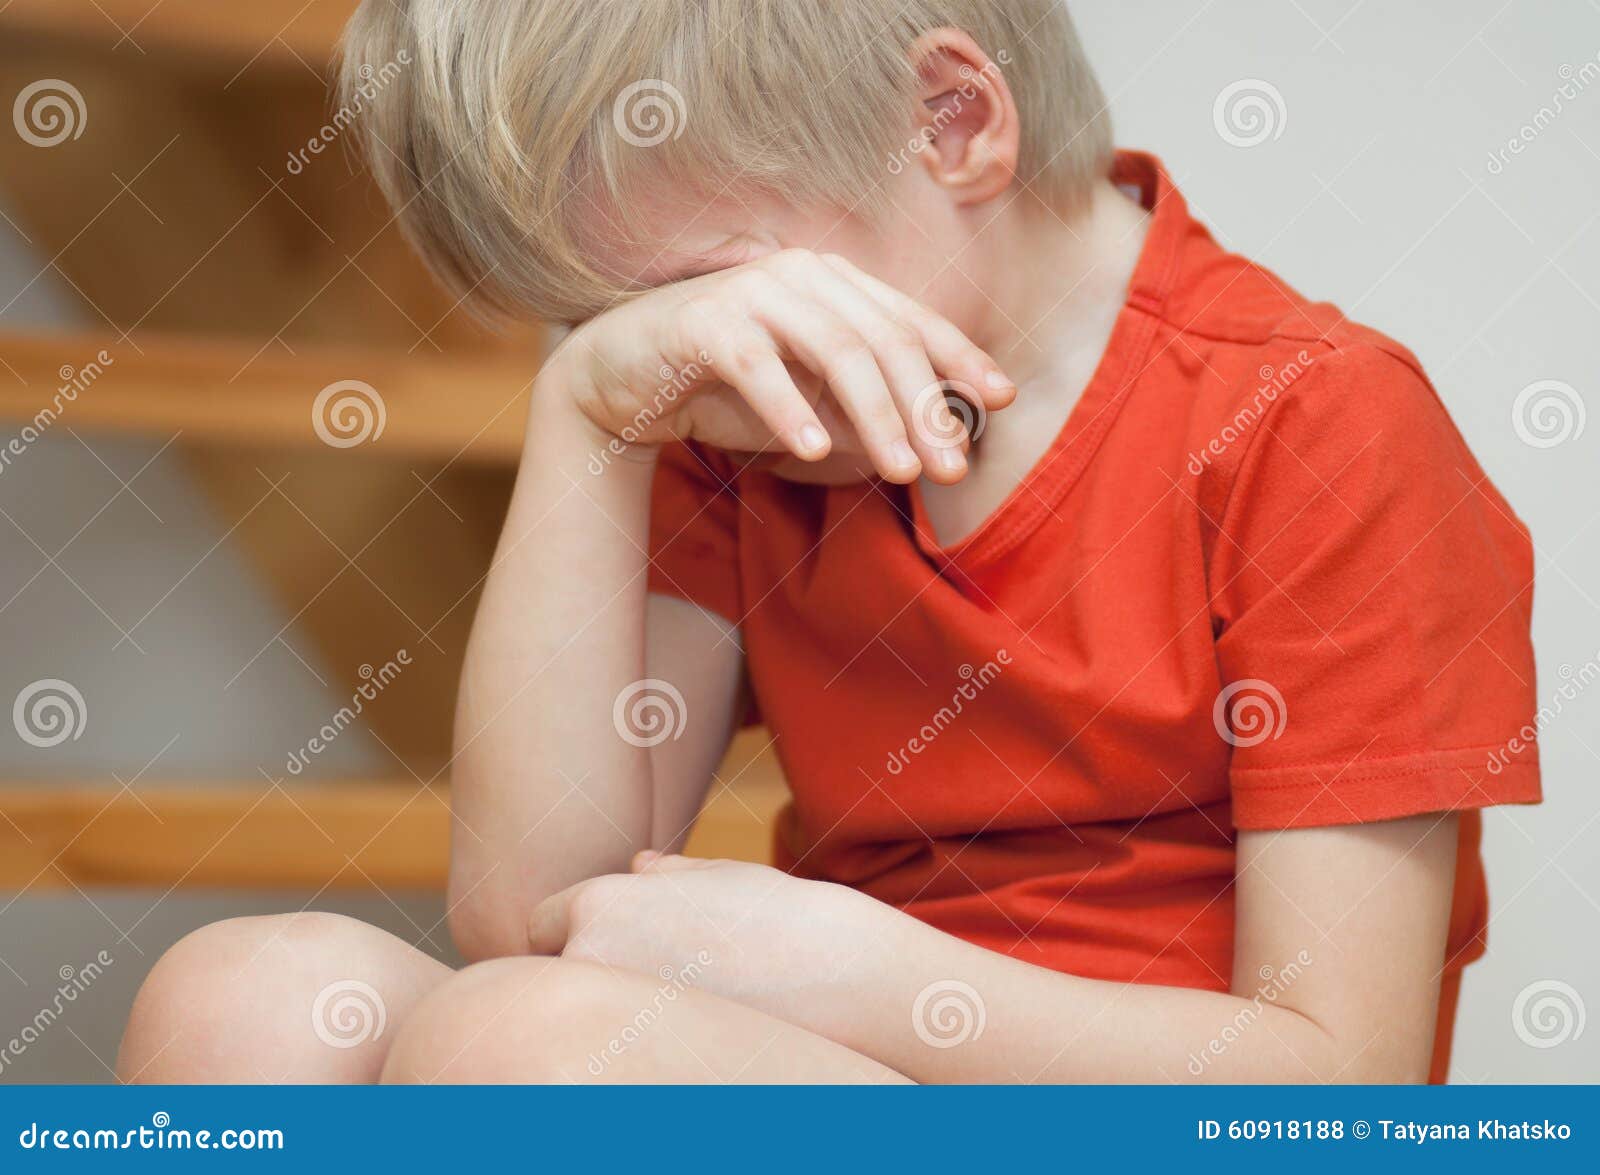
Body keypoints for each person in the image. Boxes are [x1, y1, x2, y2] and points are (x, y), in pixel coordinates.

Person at [118, 0, 1540, 1084]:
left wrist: (864, 976)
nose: (683, 360)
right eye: (615, 330)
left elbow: (1341, 1084)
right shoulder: (733, 417)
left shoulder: (1316, 421)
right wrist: (589, 413)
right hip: (841, 1056)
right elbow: (531, 909)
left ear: (950, 123)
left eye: (694, 297)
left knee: (526, 1049)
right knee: (243, 998)